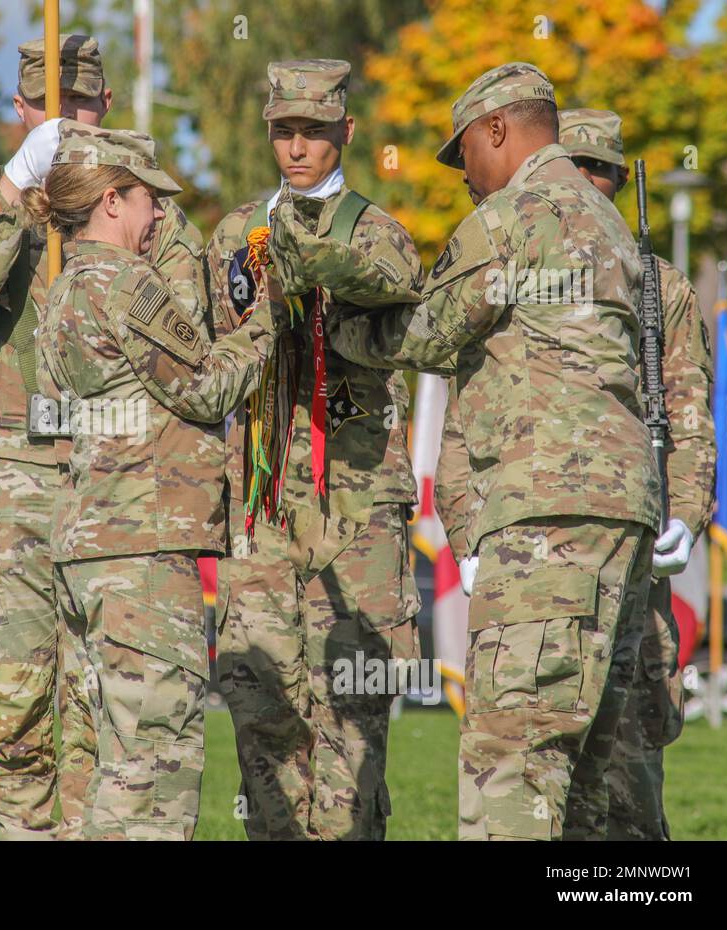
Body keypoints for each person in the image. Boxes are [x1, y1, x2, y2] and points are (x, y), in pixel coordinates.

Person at [327, 63, 660, 840]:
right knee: (589, 783)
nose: (465, 175)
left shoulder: (517, 216)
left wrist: (339, 326)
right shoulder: (603, 219)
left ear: (498, 131)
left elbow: (430, 330)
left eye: (465, 152)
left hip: (546, 510)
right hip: (619, 510)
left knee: (510, 764)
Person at [0, 33, 207, 839]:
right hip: (9, 476)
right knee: (14, 711)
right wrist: (20, 188)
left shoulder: (155, 212)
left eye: (81, 105)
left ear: (107, 108)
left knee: (102, 711)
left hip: (111, 483)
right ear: (21, 111)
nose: (68, 120)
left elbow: (182, 338)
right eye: (50, 106)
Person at [31, 122, 281, 840]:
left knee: (118, 759)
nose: (159, 217)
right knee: (155, 770)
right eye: (148, 201)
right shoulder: (125, 283)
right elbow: (203, 389)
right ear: (112, 201)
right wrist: (268, 319)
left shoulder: (64, 290)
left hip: (92, 543)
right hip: (139, 546)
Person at [207, 60, 424, 840]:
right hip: (263, 506)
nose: (298, 148)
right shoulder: (236, 233)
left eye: (316, 132)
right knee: (261, 705)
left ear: (347, 133)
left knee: (351, 713)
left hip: (356, 504)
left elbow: (401, 302)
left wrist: (320, 272)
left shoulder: (378, 231)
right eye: (284, 132)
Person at [559, 108, 713, 839]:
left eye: (601, 172)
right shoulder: (532, 277)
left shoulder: (663, 288)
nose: (589, 184)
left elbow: (689, 415)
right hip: (550, 547)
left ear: (620, 182)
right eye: (575, 169)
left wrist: (685, 511)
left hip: (637, 542)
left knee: (631, 761)